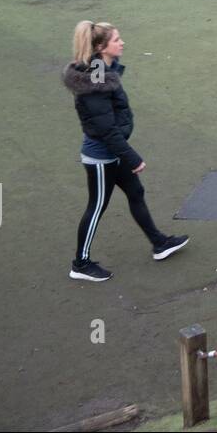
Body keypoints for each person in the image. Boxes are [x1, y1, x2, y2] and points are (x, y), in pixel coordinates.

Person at [62, 21, 188, 282]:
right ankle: (80, 264)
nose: (122, 42)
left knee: (135, 192)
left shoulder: (101, 69)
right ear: (100, 47)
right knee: (97, 207)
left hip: (113, 152)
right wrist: (132, 157)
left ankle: (159, 243)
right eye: (116, 39)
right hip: (101, 157)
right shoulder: (96, 80)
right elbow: (106, 129)